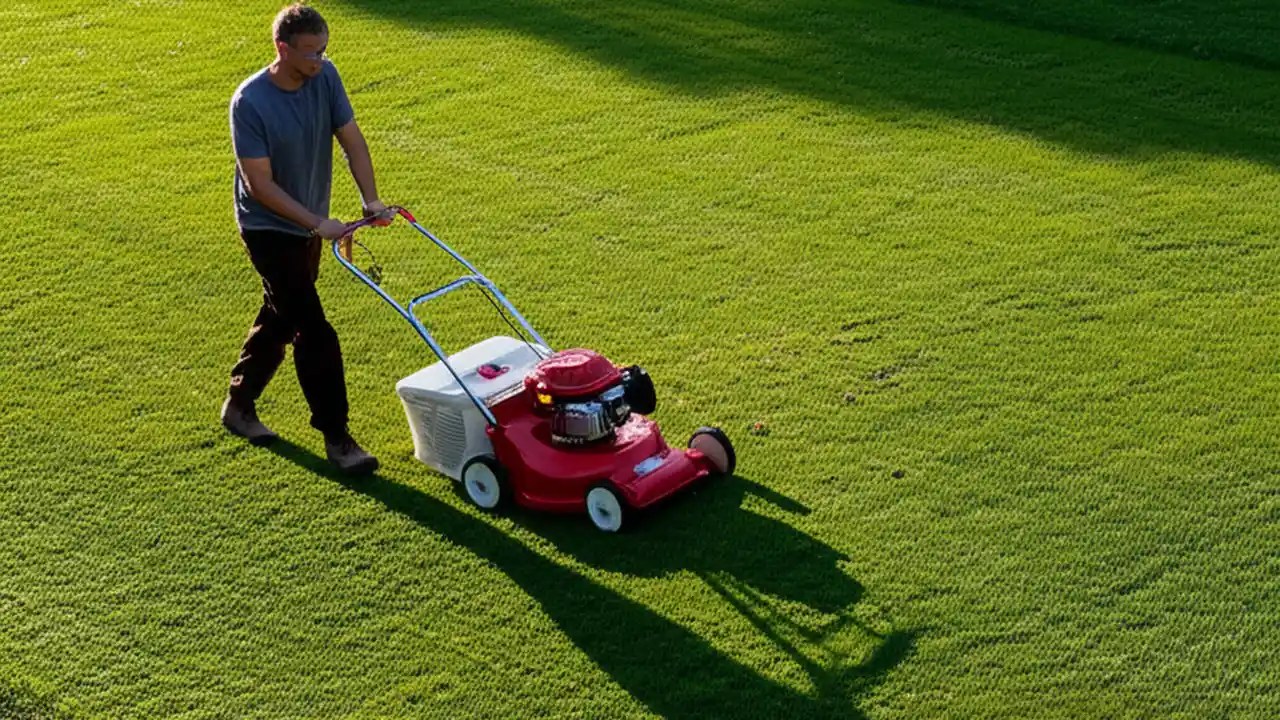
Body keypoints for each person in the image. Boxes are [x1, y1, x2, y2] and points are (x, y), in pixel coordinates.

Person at [221, 3, 386, 475]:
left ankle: (239, 405)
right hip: (268, 229)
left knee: (280, 316)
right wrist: (317, 222)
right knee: (314, 330)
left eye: (324, 50)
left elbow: (352, 139)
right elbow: (260, 185)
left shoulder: (326, 77)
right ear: (282, 48)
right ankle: (339, 438)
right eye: (311, 52)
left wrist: (370, 201)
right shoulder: (250, 102)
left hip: (308, 226)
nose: (319, 60)